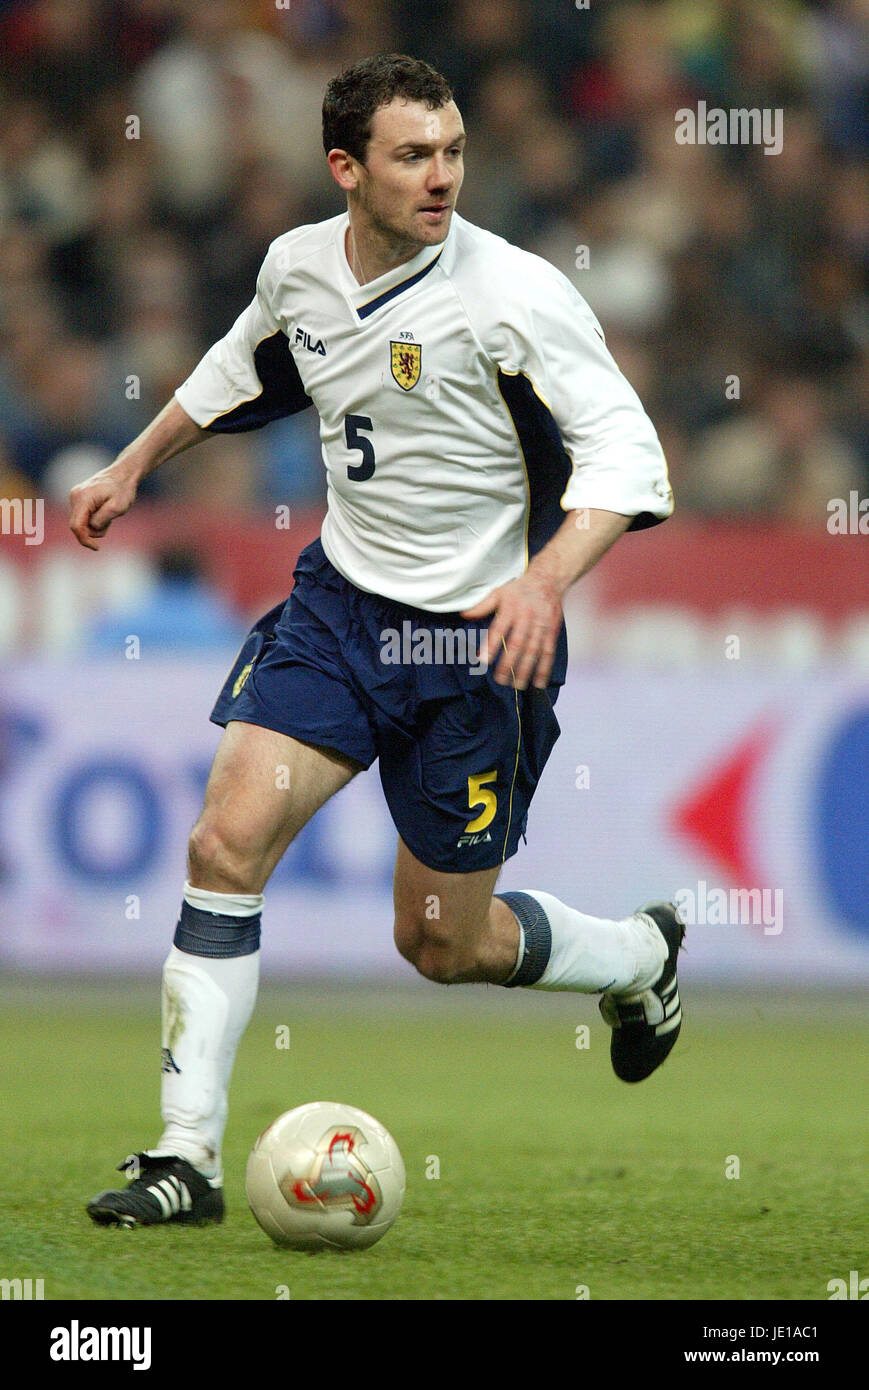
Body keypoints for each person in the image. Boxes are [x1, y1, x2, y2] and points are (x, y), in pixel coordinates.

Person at [70, 54, 684, 1229]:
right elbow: (242, 363)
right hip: (339, 612)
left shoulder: (515, 294)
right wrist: (133, 462)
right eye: (414, 155)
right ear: (345, 168)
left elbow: (628, 459)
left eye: (452, 151)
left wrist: (547, 580)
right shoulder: (298, 267)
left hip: (472, 650)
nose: (442, 176)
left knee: (443, 945)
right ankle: (183, 1160)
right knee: (223, 840)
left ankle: (636, 958)